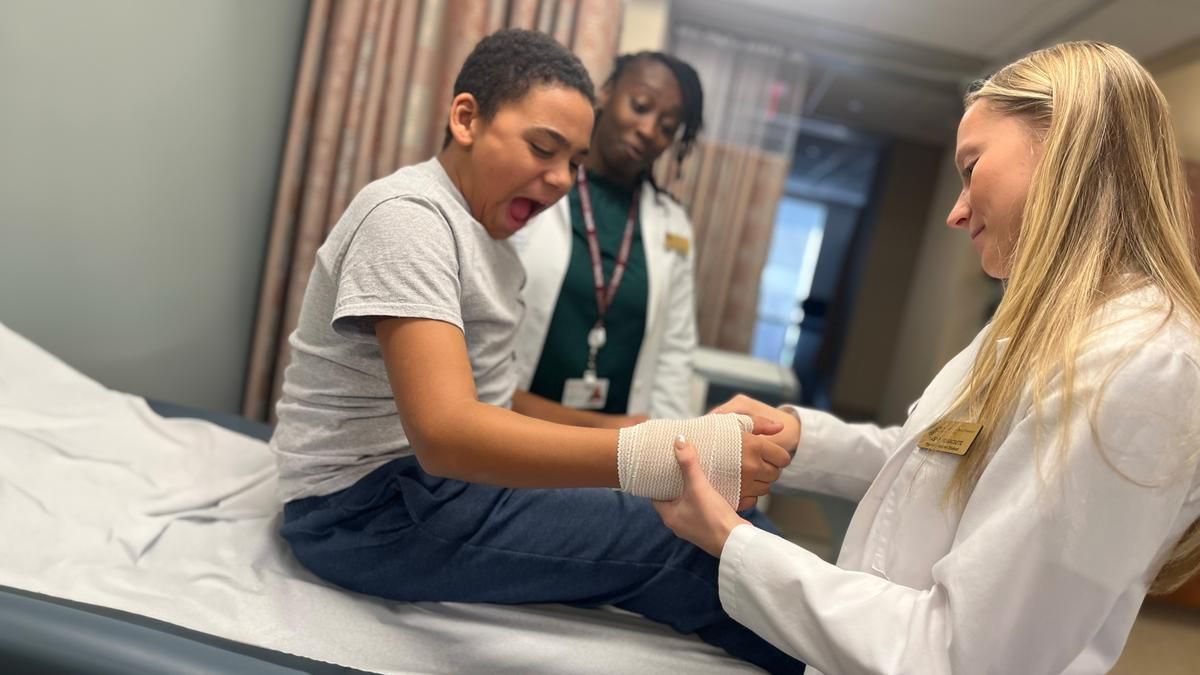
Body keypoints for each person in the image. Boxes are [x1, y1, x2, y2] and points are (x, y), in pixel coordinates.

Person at [653, 41, 1200, 674]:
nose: (956, 211)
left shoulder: (1140, 365)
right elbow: (938, 462)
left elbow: (961, 657)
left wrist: (730, 540)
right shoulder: (1042, 325)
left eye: (971, 168)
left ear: (1067, 150)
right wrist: (799, 437)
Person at [269, 29, 804, 673]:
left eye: (574, 162)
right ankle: (837, 660)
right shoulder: (409, 218)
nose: (559, 182)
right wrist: (655, 457)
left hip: (423, 489)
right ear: (466, 118)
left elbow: (494, 401)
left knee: (714, 522)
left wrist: (673, 436)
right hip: (362, 511)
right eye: (543, 149)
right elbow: (445, 433)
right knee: (697, 544)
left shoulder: (486, 239)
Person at [511, 51, 704, 421]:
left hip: (615, 452)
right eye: (640, 106)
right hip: (515, 420)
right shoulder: (540, 182)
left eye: (667, 126)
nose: (648, 130)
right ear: (607, 92)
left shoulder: (672, 224)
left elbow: (674, 351)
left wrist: (665, 452)